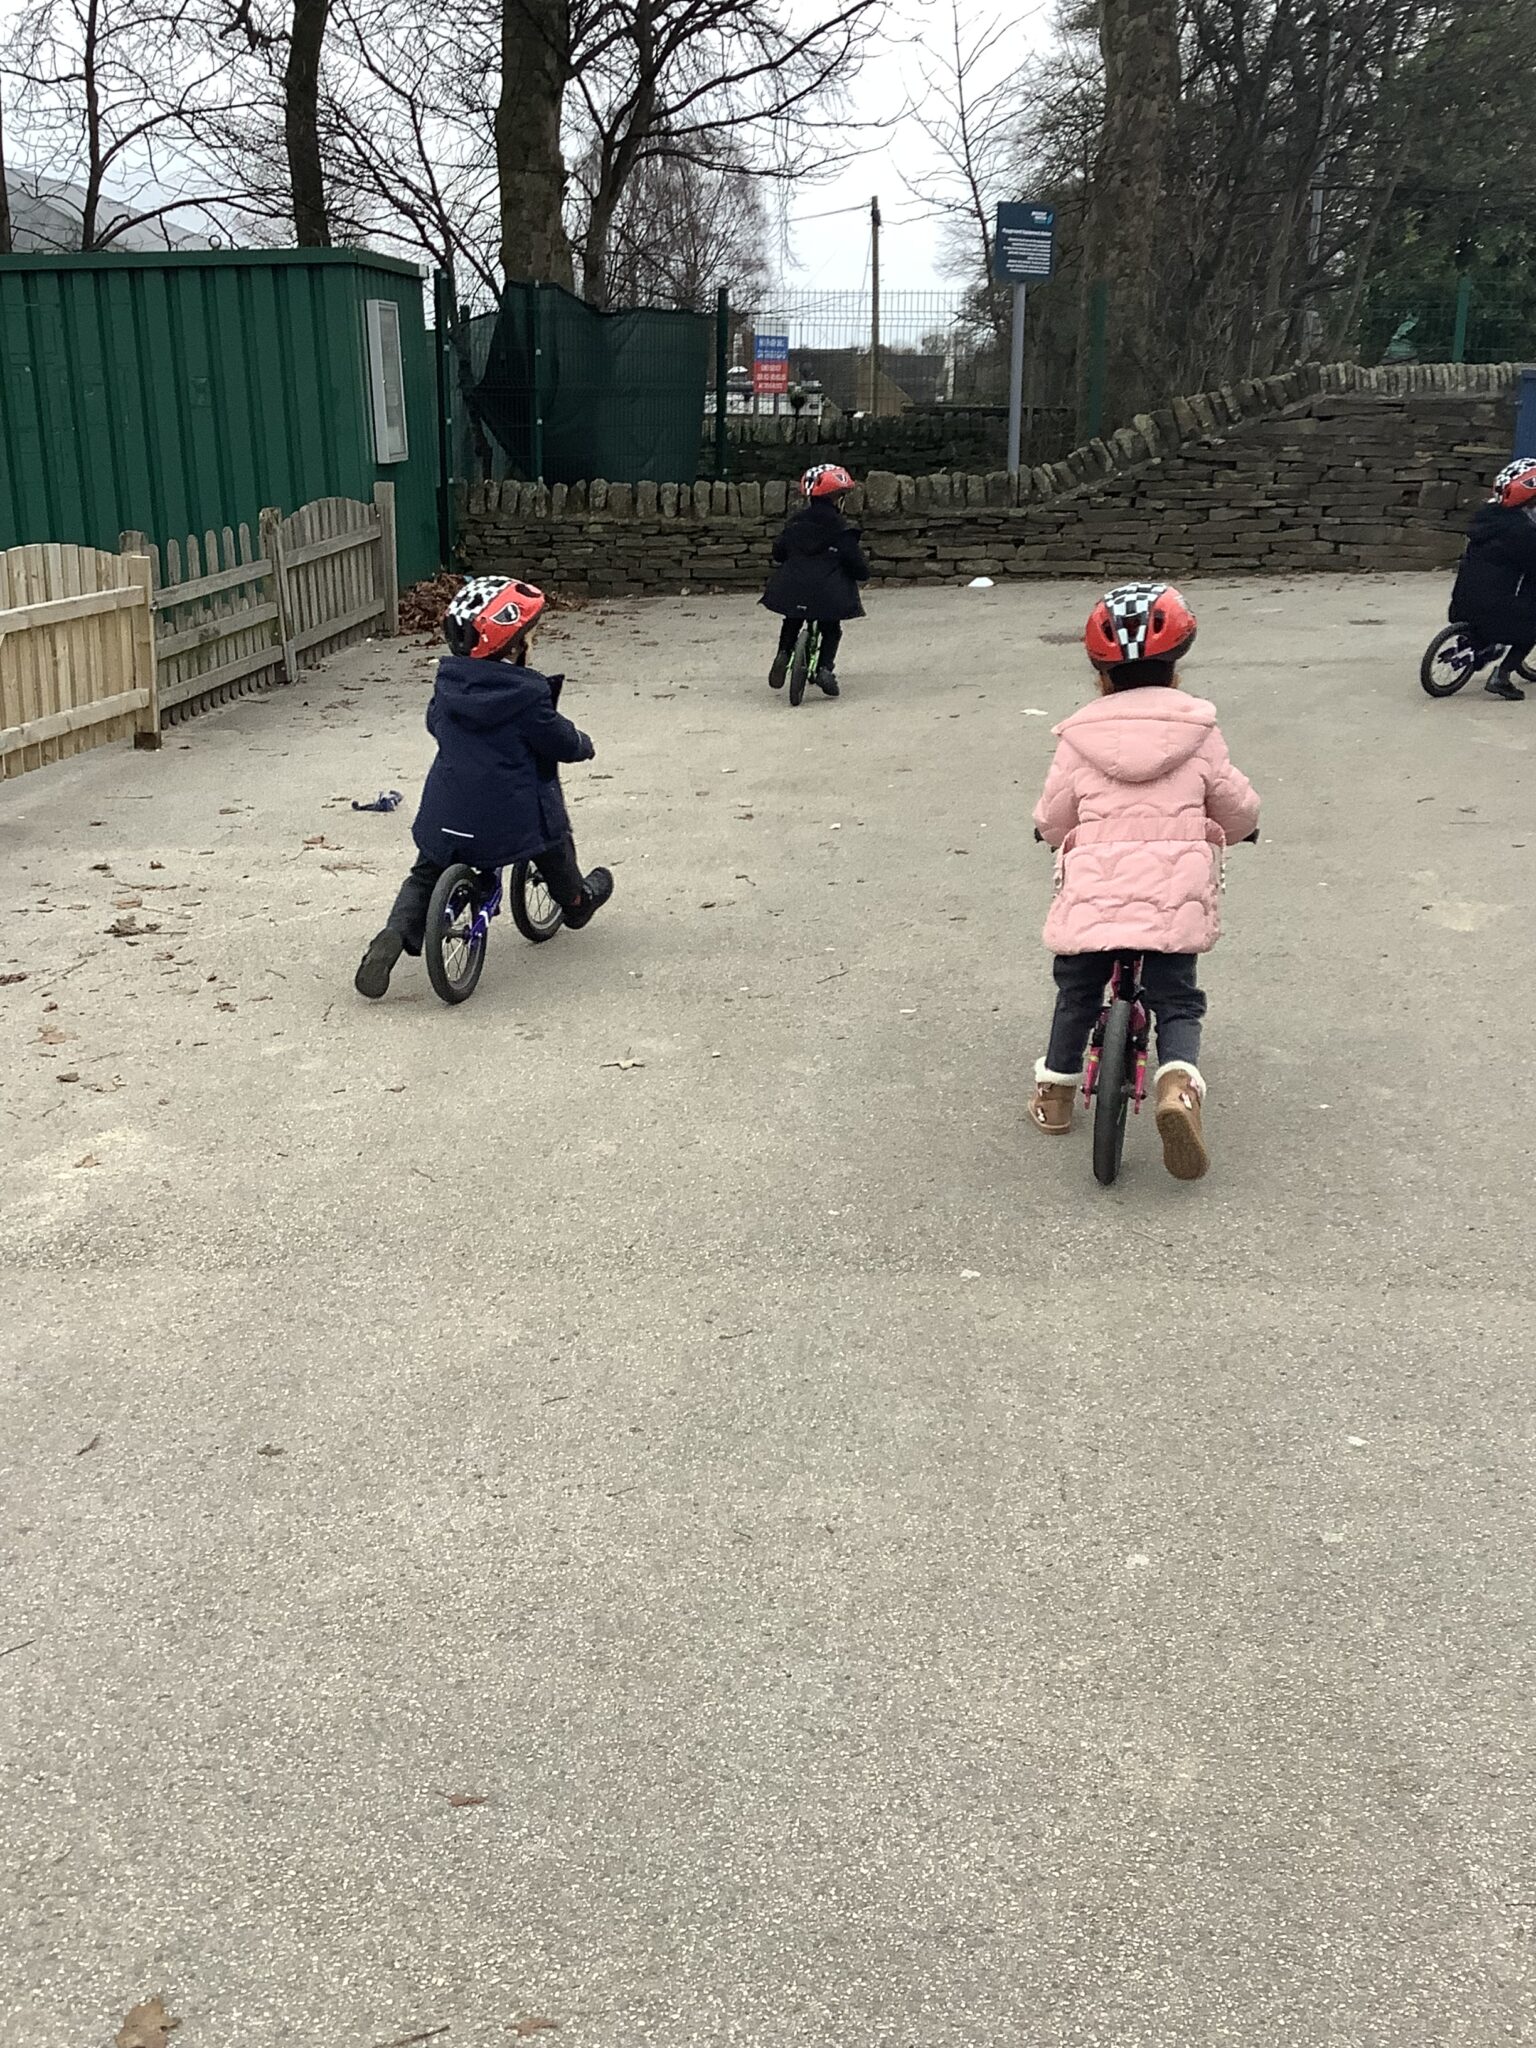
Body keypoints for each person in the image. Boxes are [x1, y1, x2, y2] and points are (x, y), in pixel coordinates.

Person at [1029, 582, 1260, 1182]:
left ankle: (1056, 1095)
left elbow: (1054, 815)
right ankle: (1178, 1086)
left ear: (1100, 675)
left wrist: (1049, 832)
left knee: (1078, 991)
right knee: (1176, 997)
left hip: (1095, 896)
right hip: (1173, 896)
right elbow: (1234, 804)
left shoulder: (1078, 737)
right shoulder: (1199, 730)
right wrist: (1244, 829)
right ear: (1176, 666)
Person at [354, 576, 613, 999]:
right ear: (513, 646)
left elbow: (435, 724)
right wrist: (583, 745)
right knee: (552, 840)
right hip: (506, 824)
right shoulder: (528, 695)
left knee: (425, 873)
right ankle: (575, 902)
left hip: (445, 814)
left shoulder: (447, 685)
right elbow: (559, 741)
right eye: (531, 636)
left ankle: (393, 936)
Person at [760, 463, 870, 697]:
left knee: (792, 619)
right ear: (838, 498)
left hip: (793, 587)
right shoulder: (842, 529)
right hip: (828, 593)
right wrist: (862, 573)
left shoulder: (794, 524)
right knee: (831, 629)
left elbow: (778, 553)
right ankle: (824, 669)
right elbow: (856, 564)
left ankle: (783, 653)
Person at [1448, 457, 1536, 702]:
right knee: (1531, 622)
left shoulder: (1486, 517)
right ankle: (1502, 676)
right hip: (1495, 610)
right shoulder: (1523, 533)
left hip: (1462, 604)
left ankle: (1481, 647)